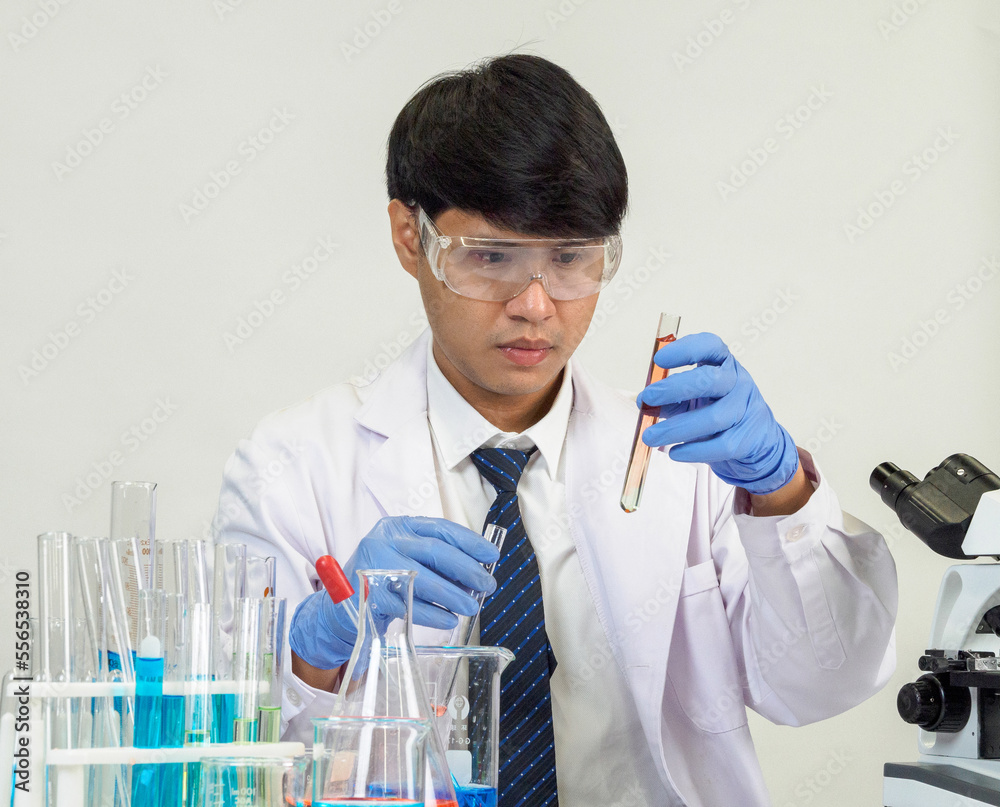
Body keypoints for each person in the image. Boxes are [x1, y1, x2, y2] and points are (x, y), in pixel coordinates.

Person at [212, 54, 897, 807]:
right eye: (492, 257)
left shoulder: (681, 459)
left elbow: (821, 682)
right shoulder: (294, 462)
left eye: (571, 259)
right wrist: (317, 652)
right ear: (411, 237)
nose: (536, 304)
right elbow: (235, 767)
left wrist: (783, 494)